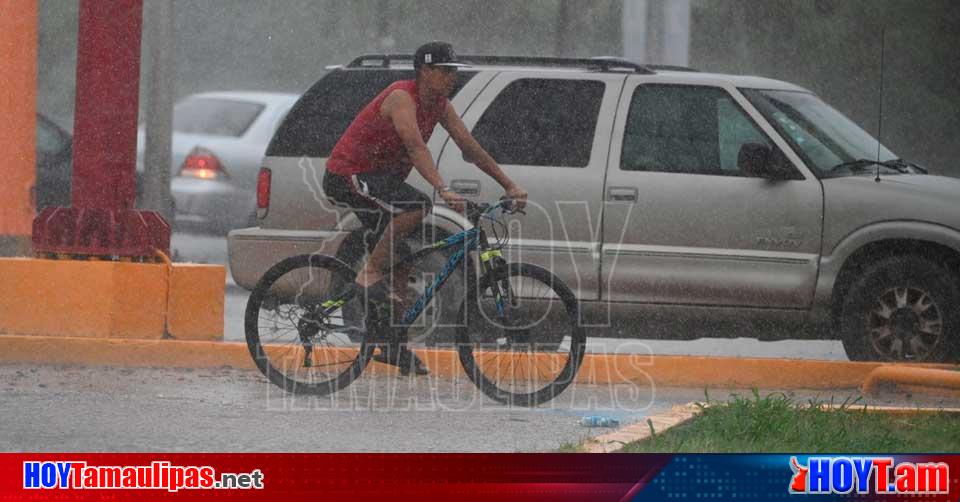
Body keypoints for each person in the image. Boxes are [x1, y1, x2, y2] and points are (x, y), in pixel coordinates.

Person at [322, 41, 528, 375]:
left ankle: (391, 342)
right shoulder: (402, 97)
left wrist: (508, 183)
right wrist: (442, 189)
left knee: (402, 257)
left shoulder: (441, 106)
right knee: (416, 205)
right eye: (444, 71)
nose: (451, 78)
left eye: (453, 72)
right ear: (424, 71)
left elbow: (470, 147)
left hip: (380, 180)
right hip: (349, 174)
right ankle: (368, 273)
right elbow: (416, 147)